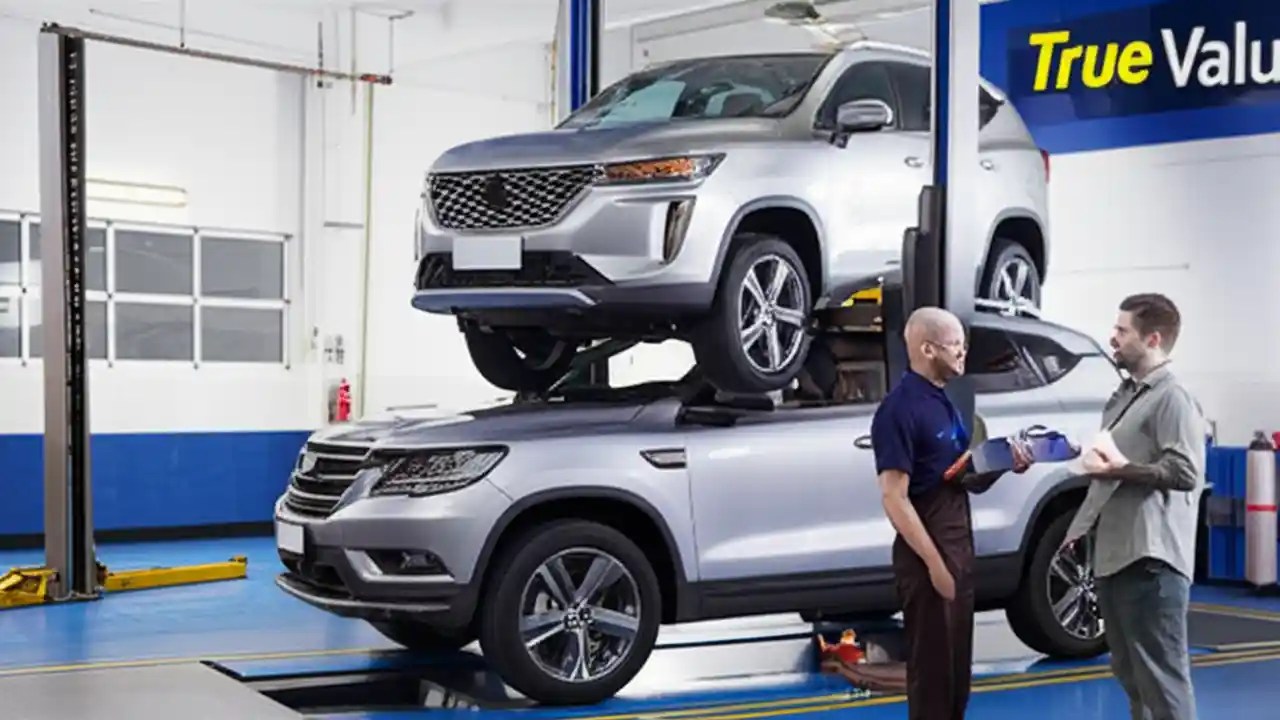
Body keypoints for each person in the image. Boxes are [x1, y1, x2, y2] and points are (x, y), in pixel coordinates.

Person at [870, 306, 1032, 720]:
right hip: (929, 556)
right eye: (956, 345)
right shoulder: (898, 410)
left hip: (958, 549)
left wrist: (1005, 463)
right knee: (933, 680)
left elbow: (960, 477)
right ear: (927, 348)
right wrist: (935, 565)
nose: (963, 353)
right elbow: (894, 497)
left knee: (957, 676)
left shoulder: (943, 403)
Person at [1063, 293, 1206, 720]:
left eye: (1123, 331)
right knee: (1132, 676)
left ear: (1153, 339)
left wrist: (1125, 468)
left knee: (1163, 681)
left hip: (1151, 560)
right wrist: (1080, 526)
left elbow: (1184, 472)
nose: (1113, 337)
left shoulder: (1172, 398)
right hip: (1117, 557)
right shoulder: (1128, 396)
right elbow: (1110, 471)